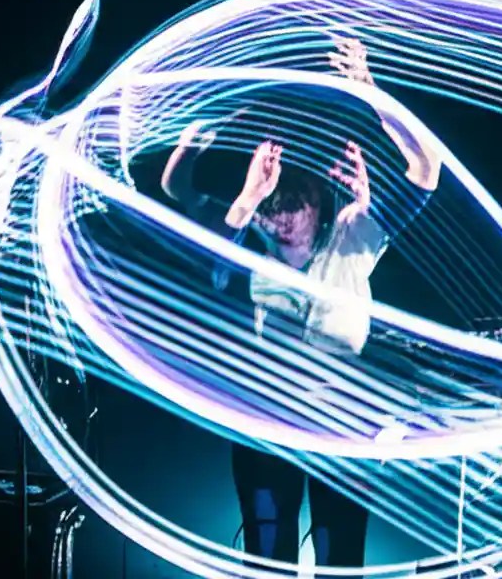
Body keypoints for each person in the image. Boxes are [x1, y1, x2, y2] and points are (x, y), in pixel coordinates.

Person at [160, 38, 440, 573]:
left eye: (297, 202)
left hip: (343, 421)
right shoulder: (246, 244)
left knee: (341, 561)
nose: (285, 217)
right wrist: (244, 187)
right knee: (267, 561)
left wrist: (368, 89)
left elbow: (426, 168)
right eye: (277, 204)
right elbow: (177, 187)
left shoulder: (352, 234)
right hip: (268, 421)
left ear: (319, 199)